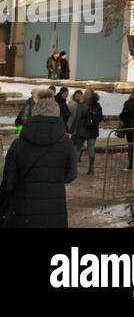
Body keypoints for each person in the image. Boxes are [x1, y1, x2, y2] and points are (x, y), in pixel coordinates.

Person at [0, 90, 77, 228]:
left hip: (22, 212)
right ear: (57, 114)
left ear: (34, 113)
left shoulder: (18, 144)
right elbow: (71, 175)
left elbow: (8, 183)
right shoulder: (66, 144)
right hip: (54, 211)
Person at [68, 88, 103, 174]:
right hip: (93, 131)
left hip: (81, 131)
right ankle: (91, 168)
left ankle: (74, 169)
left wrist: (71, 131)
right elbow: (100, 118)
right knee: (91, 148)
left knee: (78, 149)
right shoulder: (97, 105)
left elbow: (77, 119)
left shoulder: (81, 105)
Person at [117, 93, 134, 171]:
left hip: (129, 127)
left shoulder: (128, 103)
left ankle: (131, 165)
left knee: (131, 146)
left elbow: (123, 115)